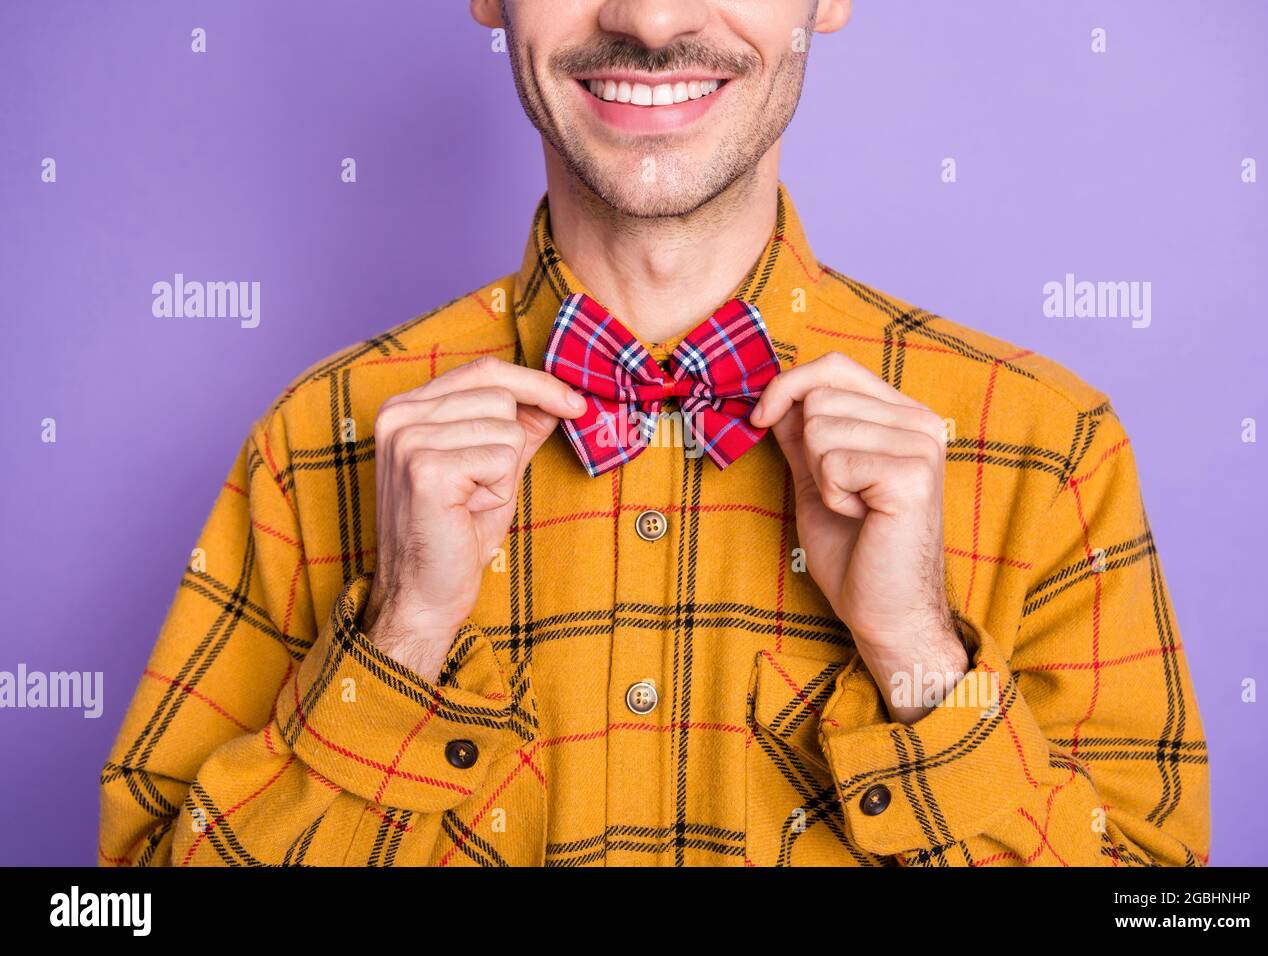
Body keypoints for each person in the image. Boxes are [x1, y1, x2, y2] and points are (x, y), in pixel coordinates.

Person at [100, 0, 1209, 867]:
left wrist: (920, 658)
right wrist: (398, 645)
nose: (653, 18)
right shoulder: (317, 442)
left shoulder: (1047, 445)